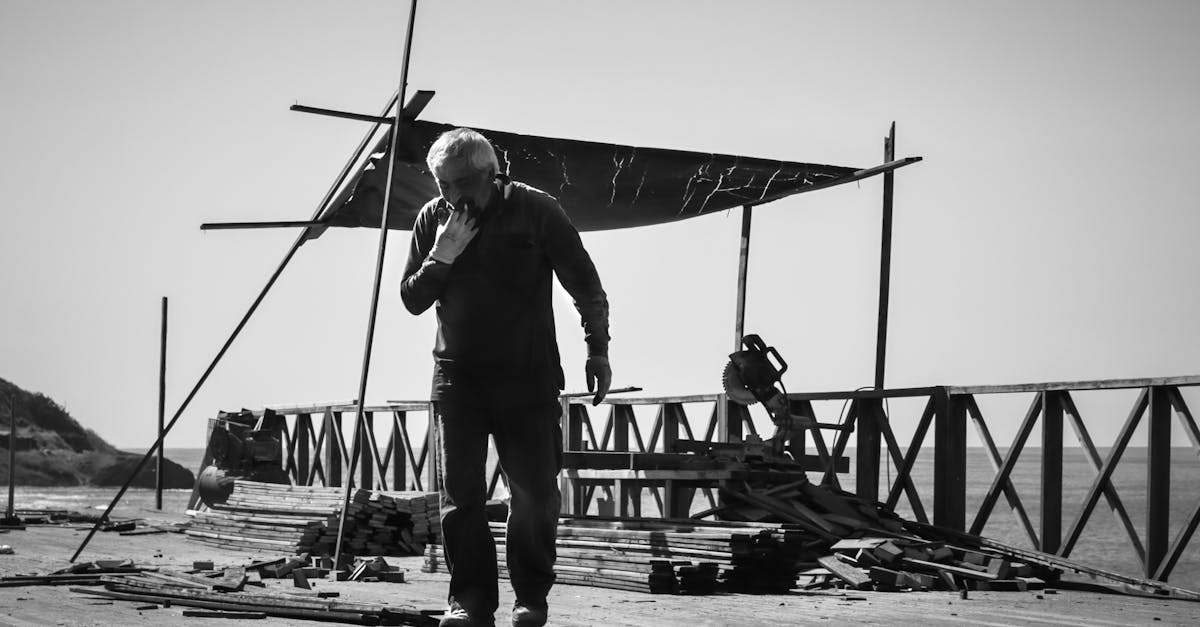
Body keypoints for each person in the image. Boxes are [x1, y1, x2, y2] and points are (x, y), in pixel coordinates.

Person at [401, 128, 612, 627]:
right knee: (461, 497)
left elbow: (587, 285)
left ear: (491, 175)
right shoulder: (433, 219)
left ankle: (530, 601)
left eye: (460, 184)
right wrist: (442, 257)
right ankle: (471, 603)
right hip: (458, 380)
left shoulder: (537, 210)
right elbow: (412, 299)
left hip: (529, 377)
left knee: (535, 495)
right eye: (441, 184)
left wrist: (597, 351)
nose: (451, 196)